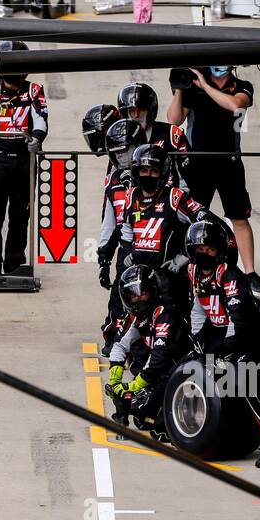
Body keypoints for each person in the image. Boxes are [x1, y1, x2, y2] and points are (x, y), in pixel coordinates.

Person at [176, 220, 260, 468]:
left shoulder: (230, 275)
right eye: (198, 250)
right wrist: (196, 340)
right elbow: (198, 310)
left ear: (219, 250)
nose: (204, 255)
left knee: (242, 382)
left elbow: (239, 320)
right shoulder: (193, 274)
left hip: (248, 339)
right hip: (221, 336)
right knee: (183, 366)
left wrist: (223, 351)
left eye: (209, 249)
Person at [166, 65, 260, 294]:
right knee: (189, 217)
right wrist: (180, 89)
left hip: (228, 161)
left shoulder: (242, 87)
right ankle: (185, 265)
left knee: (239, 217)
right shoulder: (193, 88)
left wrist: (205, 86)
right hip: (198, 162)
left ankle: (250, 273)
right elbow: (174, 120)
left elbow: (235, 105)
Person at [0, 41, 49, 274]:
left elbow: (41, 120)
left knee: (20, 215)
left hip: (24, 161)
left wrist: (36, 137)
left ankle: (14, 262)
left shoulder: (34, 91)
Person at [104, 264, 192, 436]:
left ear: (153, 290)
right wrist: (115, 381)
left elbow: (159, 358)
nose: (138, 299)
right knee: (137, 409)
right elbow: (120, 345)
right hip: (161, 374)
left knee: (156, 426)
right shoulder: (138, 317)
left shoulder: (164, 314)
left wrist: (133, 385)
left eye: (142, 293)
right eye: (133, 295)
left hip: (183, 373)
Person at [118, 144, 215, 269]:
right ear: (136, 172)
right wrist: (127, 253)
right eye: (144, 170)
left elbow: (206, 222)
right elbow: (125, 235)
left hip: (169, 274)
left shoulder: (175, 197)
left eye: (154, 171)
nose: (148, 175)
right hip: (139, 274)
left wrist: (186, 256)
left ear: (162, 174)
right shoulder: (130, 196)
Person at [97, 119, 146, 348]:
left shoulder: (154, 172)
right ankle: (114, 336)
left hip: (153, 245)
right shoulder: (112, 180)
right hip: (126, 247)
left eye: (126, 150)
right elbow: (108, 219)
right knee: (120, 295)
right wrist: (104, 257)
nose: (122, 157)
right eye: (117, 153)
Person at [117, 82, 189, 186]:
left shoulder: (172, 133)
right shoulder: (119, 139)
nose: (136, 115)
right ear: (125, 114)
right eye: (132, 111)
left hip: (168, 197)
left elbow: (188, 175)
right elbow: (113, 179)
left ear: (150, 111)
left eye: (141, 110)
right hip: (133, 198)